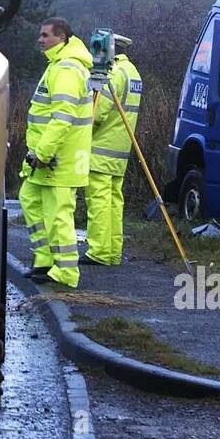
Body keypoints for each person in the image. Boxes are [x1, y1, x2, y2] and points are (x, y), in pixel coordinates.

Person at [18, 17, 93, 288]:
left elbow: (62, 118)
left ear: (61, 38)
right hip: (47, 158)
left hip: (56, 160)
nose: (40, 39)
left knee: (58, 214)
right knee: (30, 200)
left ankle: (65, 272)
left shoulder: (66, 69)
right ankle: (45, 260)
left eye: (45, 35)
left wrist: (44, 153)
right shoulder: (58, 66)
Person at [83, 34, 142, 266]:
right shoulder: (133, 72)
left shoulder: (114, 74)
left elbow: (98, 113)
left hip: (101, 149)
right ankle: (112, 251)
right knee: (114, 201)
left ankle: (98, 251)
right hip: (120, 150)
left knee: (98, 201)